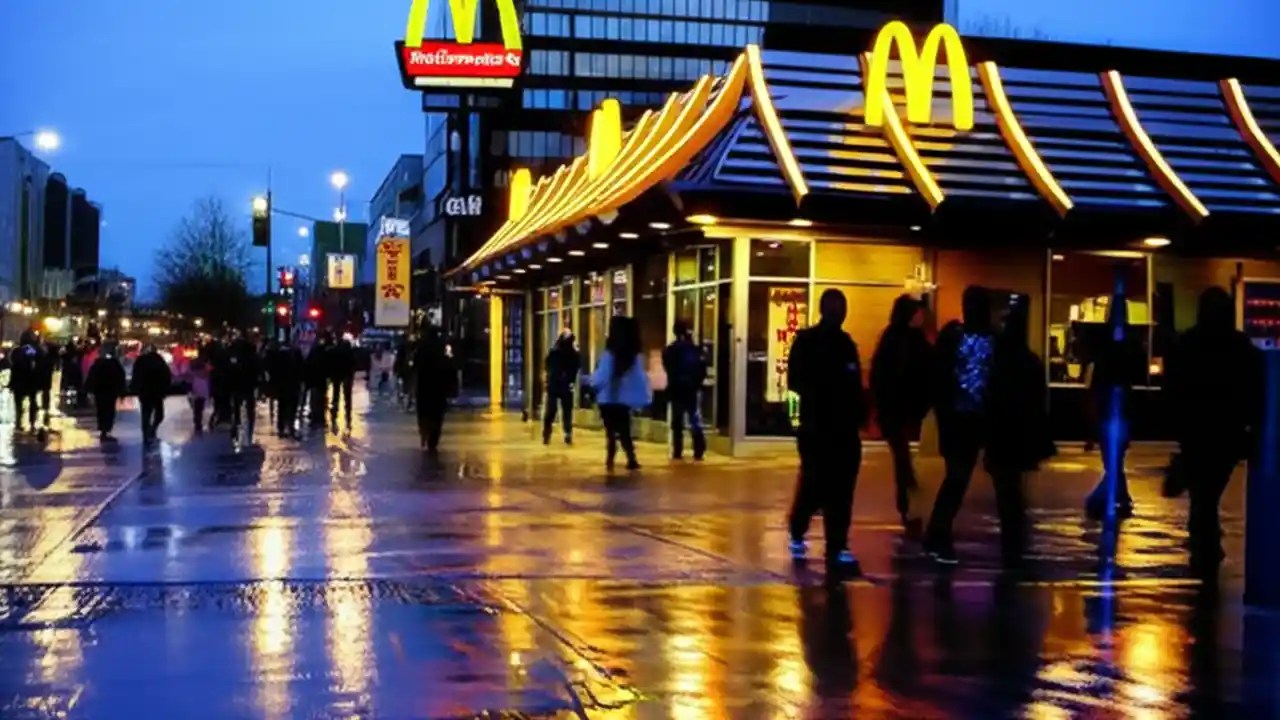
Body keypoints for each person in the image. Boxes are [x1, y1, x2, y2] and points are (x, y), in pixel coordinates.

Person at [1166, 287, 1263, 570]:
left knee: (1203, 490)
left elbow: (1174, 388)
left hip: (1197, 429)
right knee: (1209, 488)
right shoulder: (1241, 348)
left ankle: (1204, 538)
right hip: (1227, 430)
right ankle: (1205, 538)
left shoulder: (1188, 344)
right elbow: (1254, 389)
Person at [786, 289, 868, 573]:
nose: (839, 313)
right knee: (815, 484)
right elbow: (794, 387)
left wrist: (859, 417)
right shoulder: (808, 343)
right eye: (835, 307)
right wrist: (797, 424)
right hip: (818, 428)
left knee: (841, 489)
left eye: (842, 307)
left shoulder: (845, 345)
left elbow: (855, 386)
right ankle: (800, 527)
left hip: (841, 429)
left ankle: (837, 544)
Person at [925, 286, 997, 565]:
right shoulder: (970, 338)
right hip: (962, 419)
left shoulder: (958, 337)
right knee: (957, 477)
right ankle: (937, 534)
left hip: (963, 419)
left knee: (957, 477)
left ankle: (937, 533)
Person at [984, 300, 1055, 565]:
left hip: (1002, 433)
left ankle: (1011, 533)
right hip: (1019, 434)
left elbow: (991, 396)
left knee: (1006, 487)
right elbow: (1038, 400)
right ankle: (1015, 533)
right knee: (1013, 486)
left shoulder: (999, 362)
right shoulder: (1029, 361)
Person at [870, 295, 934, 530]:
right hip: (894, 408)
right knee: (901, 455)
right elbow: (883, 374)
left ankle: (908, 500)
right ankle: (907, 501)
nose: (921, 316)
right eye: (917, 312)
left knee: (902, 454)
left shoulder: (909, 339)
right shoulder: (899, 339)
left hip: (901, 408)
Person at [1084, 292, 1149, 521]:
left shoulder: (1104, 346)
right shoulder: (1131, 346)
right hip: (1122, 407)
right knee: (1116, 458)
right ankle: (1116, 497)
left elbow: (1096, 381)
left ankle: (1109, 498)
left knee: (1112, 459)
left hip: (1108, 406)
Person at [590, 316, 651, 472]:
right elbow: (640, 378)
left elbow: (602, 376)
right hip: (624, 401)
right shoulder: (634, 356)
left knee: (610, 432)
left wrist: (591, 384)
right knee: (625, 430)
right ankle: (631, 458)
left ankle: (610, 458)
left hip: (608, 399)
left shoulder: (610, 355)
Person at [662, 321, 708, 461]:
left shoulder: (670, 350)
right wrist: (696, 383)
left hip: (676, 388)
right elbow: (702, 369)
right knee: (694, 418)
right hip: (691, 389)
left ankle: (677, 450)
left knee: (677, 421)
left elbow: (668, 368)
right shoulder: (694, 349)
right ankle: (698, 449)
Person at [414, 328, 456, 455]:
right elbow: (449, 370)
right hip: (439, 388)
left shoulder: (421, 349)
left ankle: (425, 434)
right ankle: (433, 439)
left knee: (423, 412)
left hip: (424, 387)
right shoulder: (442, 352)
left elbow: (415, 367)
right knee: (437, 415)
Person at [543, 329, 581, 445]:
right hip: (557, 384)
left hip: (560, 384)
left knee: (560, 411)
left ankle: (561, 433)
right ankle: (551, 433)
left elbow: (575, 366)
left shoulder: (558, 352)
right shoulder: (556, 352)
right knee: (556, 410)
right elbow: (548, 365)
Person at [131, 343, 172, 444]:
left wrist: (135, 387)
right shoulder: (159, 361)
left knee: (146, 413)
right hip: (156, 391)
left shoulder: (141, 361)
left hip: (146, 391)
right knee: (158, 413)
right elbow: (166, 374)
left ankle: (147, 433)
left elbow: (136, 375)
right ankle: (151, 431)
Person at [86, 344, 126, 441]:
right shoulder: (115, 364)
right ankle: (107, 430)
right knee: (109, 411)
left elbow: (91, 377)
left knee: (101, 411)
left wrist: (89, 390)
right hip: (110, 392)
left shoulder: (97, 364)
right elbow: (120, 378)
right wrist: (122, 392)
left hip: (100, 391)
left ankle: (103, 430)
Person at [268, 336, 306, 438]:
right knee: (291, 406)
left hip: (284, 385)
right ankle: (289, 426)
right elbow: (302, 369)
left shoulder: (280, 354)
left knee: (283, 406)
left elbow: (274, 370)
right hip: (292, 385)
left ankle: (282, 428)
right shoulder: (296, 354)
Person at [227, 334, 260, 440]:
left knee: (236, 406)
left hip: (237, 385)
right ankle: (249, 429)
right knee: (250, 407)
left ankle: (236, 424)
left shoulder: (234, 357)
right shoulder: (252, 356)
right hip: (248, 385)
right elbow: (257, 369)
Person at [8, 331, 42, 433]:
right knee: (32, 401)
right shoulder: (34, 350)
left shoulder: (17, 350)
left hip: (18, 380)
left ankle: (18, 423)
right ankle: (32, 423)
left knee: (18, 404)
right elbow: (40, 360)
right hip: (31, 379)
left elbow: (12, 362)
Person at [327, 334, 357, 431]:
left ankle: (334, 416)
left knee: (336, 396)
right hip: (347, 376)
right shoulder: (350, 352)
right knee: (347, 398)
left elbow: (330, 363)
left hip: (336, 375)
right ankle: (348, 418)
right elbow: (354, 363)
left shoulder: (333, 351)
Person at [305, 334, 330, 430]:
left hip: (315, 381)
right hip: (320, 381)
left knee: (316, 399)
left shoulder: (314, 353)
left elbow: (308, 365)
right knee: (320, 399)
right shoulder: (324, 353)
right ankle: (319, 417)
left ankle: (316, 417)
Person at [187, 354, 212, 433]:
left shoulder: (193, 374)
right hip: (203, 390)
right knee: (200, 407)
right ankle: (198, 423)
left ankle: (197, 423)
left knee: (197, 408)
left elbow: (189, 381)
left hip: (196, 391)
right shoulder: (206, 372)